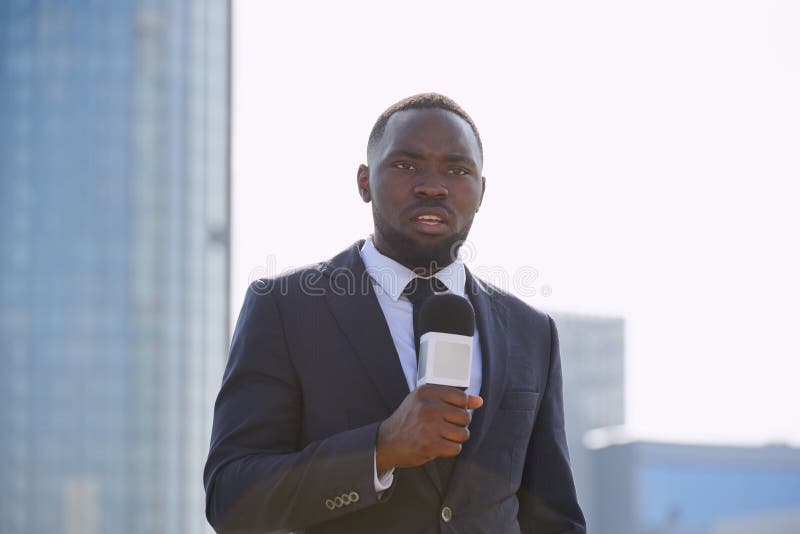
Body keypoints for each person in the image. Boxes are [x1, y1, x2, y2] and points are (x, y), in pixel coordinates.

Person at [203, 93, 586, 533]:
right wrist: (379, 451)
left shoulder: (531, 332)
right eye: (406, 165)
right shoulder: (286, 308)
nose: (432, 185)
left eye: (457, 170)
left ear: (482, 191)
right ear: (364, 182)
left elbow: (554, 517)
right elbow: (231, 498)